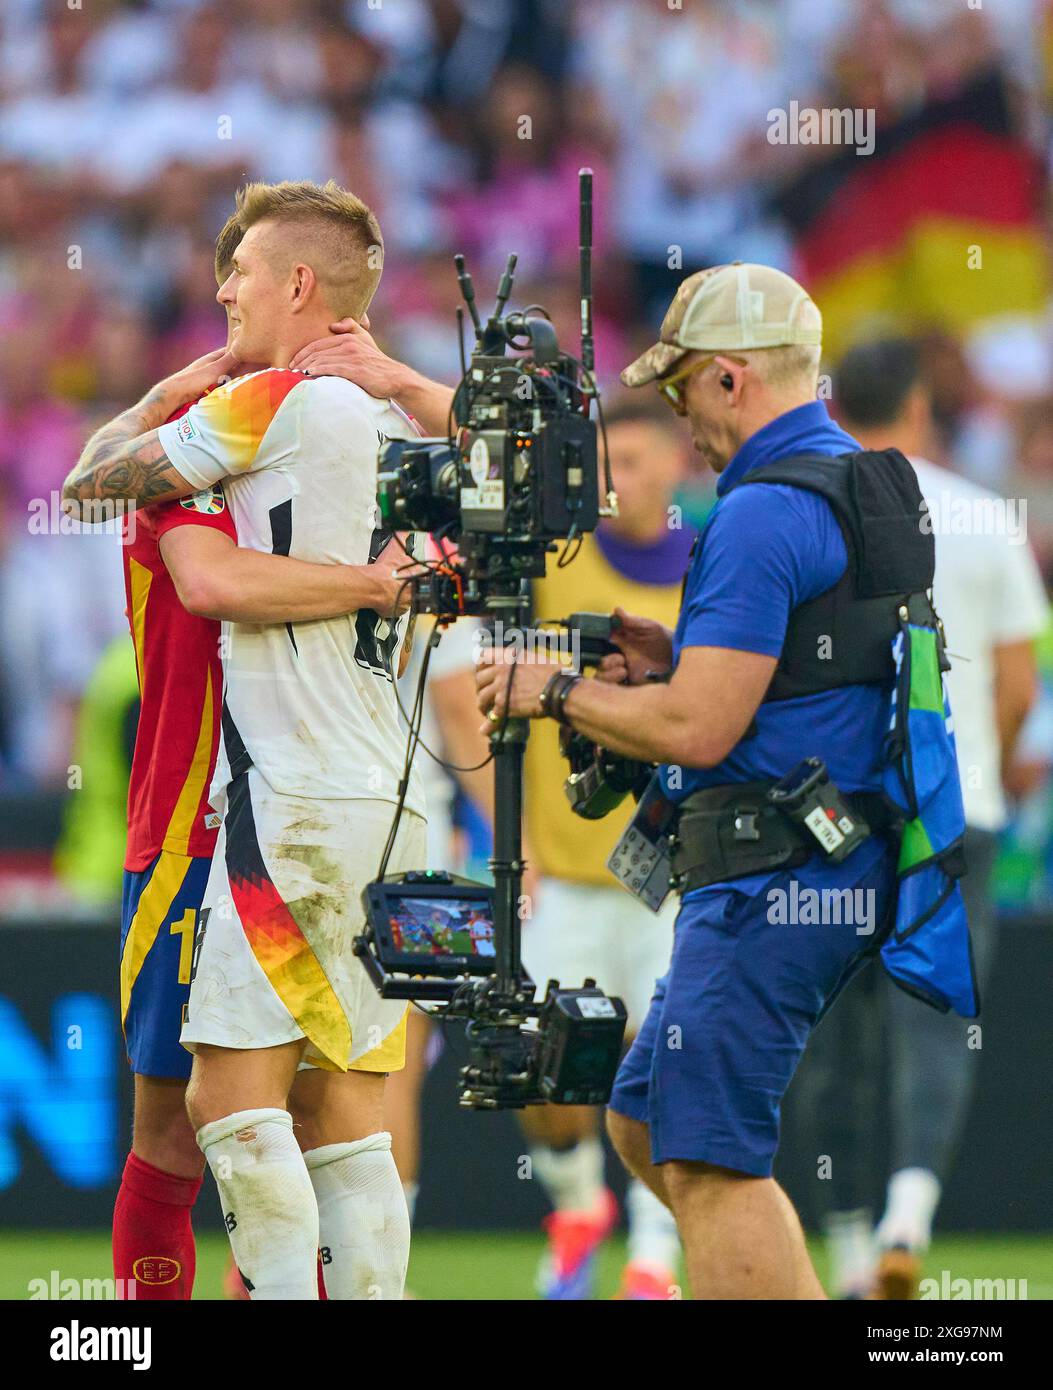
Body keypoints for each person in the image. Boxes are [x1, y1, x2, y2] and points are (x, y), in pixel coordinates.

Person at [473, 263, 968, 1299]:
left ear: (733, 379)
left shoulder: (756, 514)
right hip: (836, 852)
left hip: (766, 878)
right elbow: (805, 672)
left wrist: (549, 688)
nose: (679, 416)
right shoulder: (863, 478)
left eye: (685, 387)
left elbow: (699, 730)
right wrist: (675, 659)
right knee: (646, 1119)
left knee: (703, 1159)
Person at [63, 179, 426, 1300]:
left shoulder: (276, 425)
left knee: (253, 1112)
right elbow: (115, 492)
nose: (224, 290)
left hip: (268, 809)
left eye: (243, 274)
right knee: (188, 1126)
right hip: (207, 810)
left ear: (300, 287)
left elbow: (122, 503)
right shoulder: (297, 437)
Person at [802, 337, 1047, 1299]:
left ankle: (851, 1251)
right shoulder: (984, 516)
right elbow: (1019, 685)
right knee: (934, 1027)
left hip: (828, 817)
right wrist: (986, 780)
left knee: (833, 1040)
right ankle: (910, 1219)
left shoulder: (803, 511)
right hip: (951, 815)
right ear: (915, 403)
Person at [516, 397, 691, 1300]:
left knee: (662, 1068)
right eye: (602, 460)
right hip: (568, 877)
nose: (615, 478)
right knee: (542, 1064)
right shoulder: (557, 565)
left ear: (672, 464)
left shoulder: (709, 572)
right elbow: (485, 690)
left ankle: (654, 1258)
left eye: (631, 458)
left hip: (670, 881)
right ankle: (578, 1208)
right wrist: (512, 842)